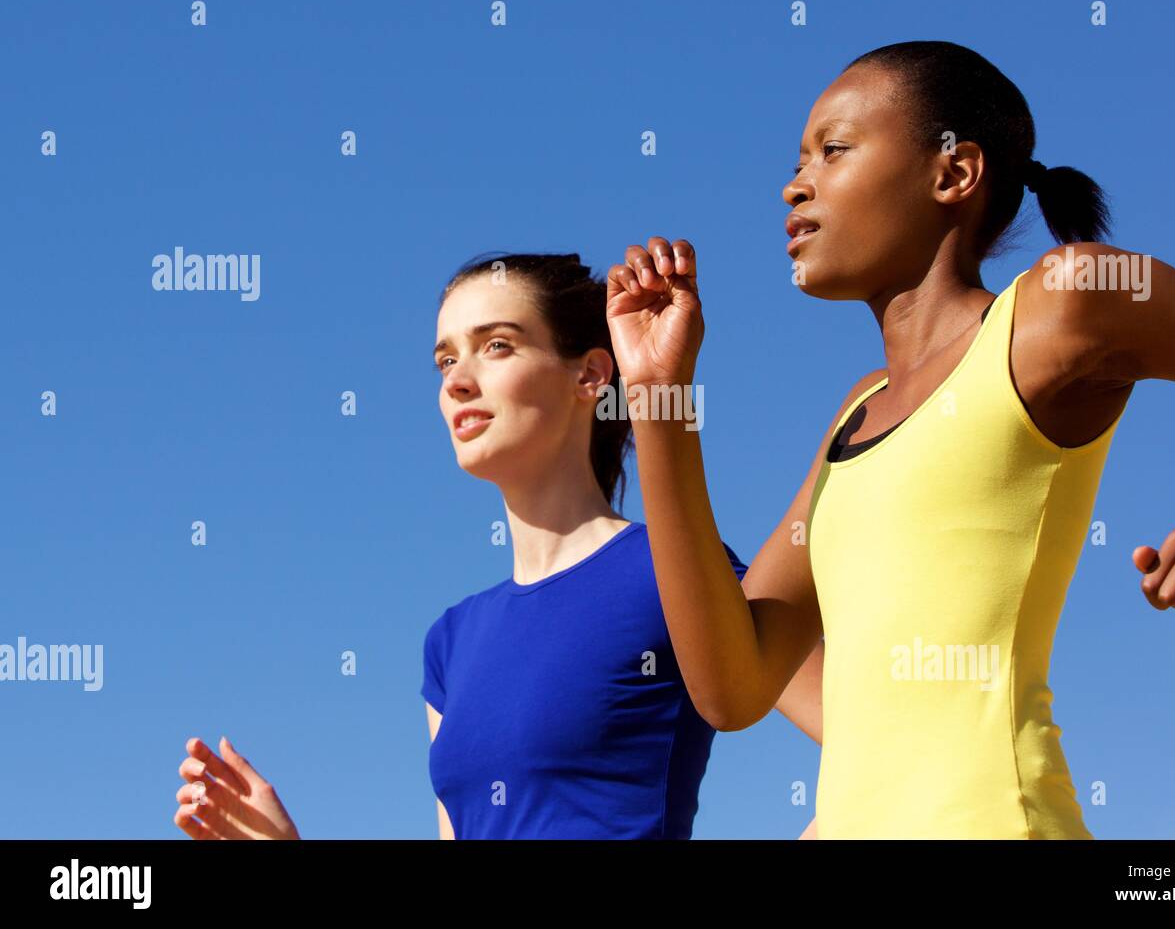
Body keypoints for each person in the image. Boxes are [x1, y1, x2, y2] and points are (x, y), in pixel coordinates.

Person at [604, 40, 1175, 839]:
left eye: (833, 151)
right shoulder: (856, 415)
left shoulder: (1064, 305)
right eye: (799, 160)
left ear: (952, 174)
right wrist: (658, 397)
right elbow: (733, 687)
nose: (795, 184)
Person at [173, 252, 748, 839]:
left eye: (496, 345)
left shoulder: (665, 568)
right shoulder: (451, 641)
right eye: (445, 359)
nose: (456, 379)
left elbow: (848, 740)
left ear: (590, 375)